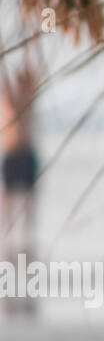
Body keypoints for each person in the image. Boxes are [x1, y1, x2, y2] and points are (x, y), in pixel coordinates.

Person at [2, 57, 42, 318]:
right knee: (7, 207)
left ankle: (27, 246)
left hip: (26, 154)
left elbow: (37, 67)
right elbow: (4, 72)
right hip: (12, 154)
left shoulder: (29, 97)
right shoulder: (9, 98)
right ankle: (7, 246)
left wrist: (35, 32)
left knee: (28, 209)